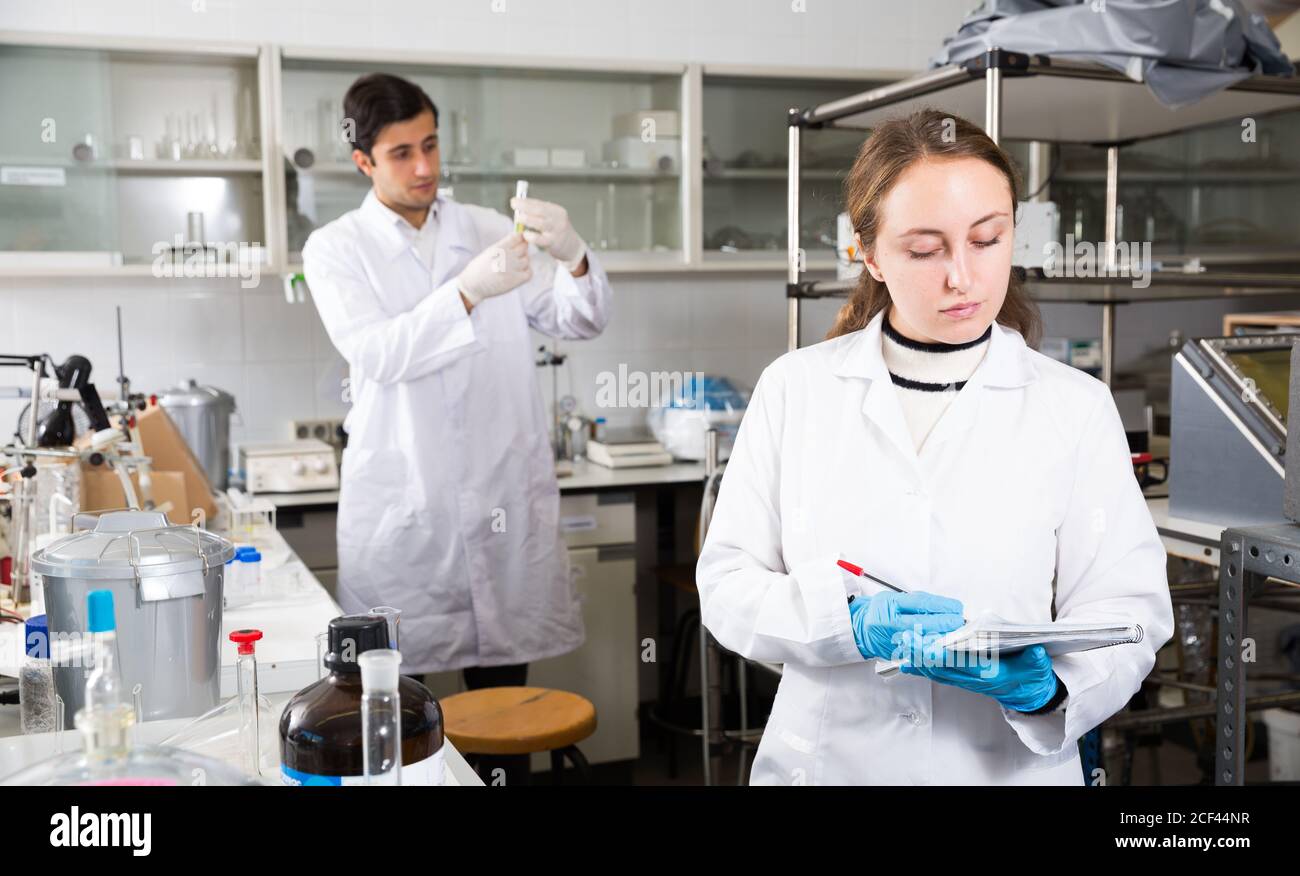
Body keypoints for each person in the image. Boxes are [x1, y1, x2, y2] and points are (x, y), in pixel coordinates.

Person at [695, 109, 1173, 785]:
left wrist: (1051, 690)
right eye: (925, 249)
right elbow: (727, 588)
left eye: (988, 239)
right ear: (869, 252)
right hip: (833, 766)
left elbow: (1131, 610)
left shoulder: (1074, 406)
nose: (963, 277)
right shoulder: (795, 390)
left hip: (1005, 770)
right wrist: (848, 622)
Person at [304, 73, 612, 696]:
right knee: (390, 709)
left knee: (504, 705)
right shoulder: (336, 248)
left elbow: (578, 318)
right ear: (364, 160)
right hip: (407, 518)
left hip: (502, 500)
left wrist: (574, 256)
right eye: (401, 153)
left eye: (431, 144)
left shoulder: (485, 227)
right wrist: (467, 292)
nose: (424, 166)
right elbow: (379, 353)